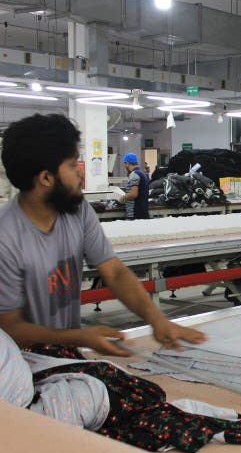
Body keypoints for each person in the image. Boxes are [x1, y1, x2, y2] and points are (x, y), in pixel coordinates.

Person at [0, 113, 206, 357]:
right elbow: (9, 328)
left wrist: (156, 319)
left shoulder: (77, 211)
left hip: (64, 356)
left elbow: (115, 272)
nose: (81, 173)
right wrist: (78, 337)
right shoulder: (7, 237)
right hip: (15, 368)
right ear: (45, 178)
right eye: (72, 164)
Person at [119, 152, 149, 220]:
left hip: (135, 212)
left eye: (125, 163)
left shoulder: (134, 175)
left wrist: (123, 197)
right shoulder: (142, 173)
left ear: (127, 163)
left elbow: (134, 194)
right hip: (143, 210)